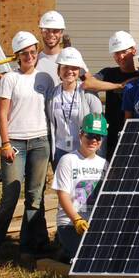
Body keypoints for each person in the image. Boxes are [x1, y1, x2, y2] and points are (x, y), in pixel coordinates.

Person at [0, 31, 56, 263]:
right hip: (15, 143)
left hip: (40, 142)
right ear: (17, 56)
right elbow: (2, 113)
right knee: (10, 196)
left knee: (34, 197)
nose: (30, 56)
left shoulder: (45, 79)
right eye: (25, 53)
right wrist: (5, 143)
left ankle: (28, 248)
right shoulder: (10, 79)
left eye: (32, 52)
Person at [53, 113, 109, 263]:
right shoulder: (68, 160)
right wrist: (76, 219)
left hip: (94, 225)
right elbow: (63, 195)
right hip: (71, 225)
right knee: (86, 260)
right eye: (90, 136)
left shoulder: (105, 164)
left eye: (98, 137)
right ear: (81, 134)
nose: (93, 141)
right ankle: (65, 249)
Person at [44, 46, 103, 167]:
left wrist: (98, 154)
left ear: (79, 71)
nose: (69, 71)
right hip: (60, 150)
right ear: (59, 70)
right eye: (65, 67)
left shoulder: (89, 94)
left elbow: (99, 126)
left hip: (84, 151)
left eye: (74, 68)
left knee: (82, 186)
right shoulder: (51, 95)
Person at [36, 10, 67, 81]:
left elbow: (88, 82)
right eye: (46, 30)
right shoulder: (33, 61)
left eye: (55, 31)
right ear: (41, 32)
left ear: (61, 33)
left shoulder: (70, 58)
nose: (51, 34)